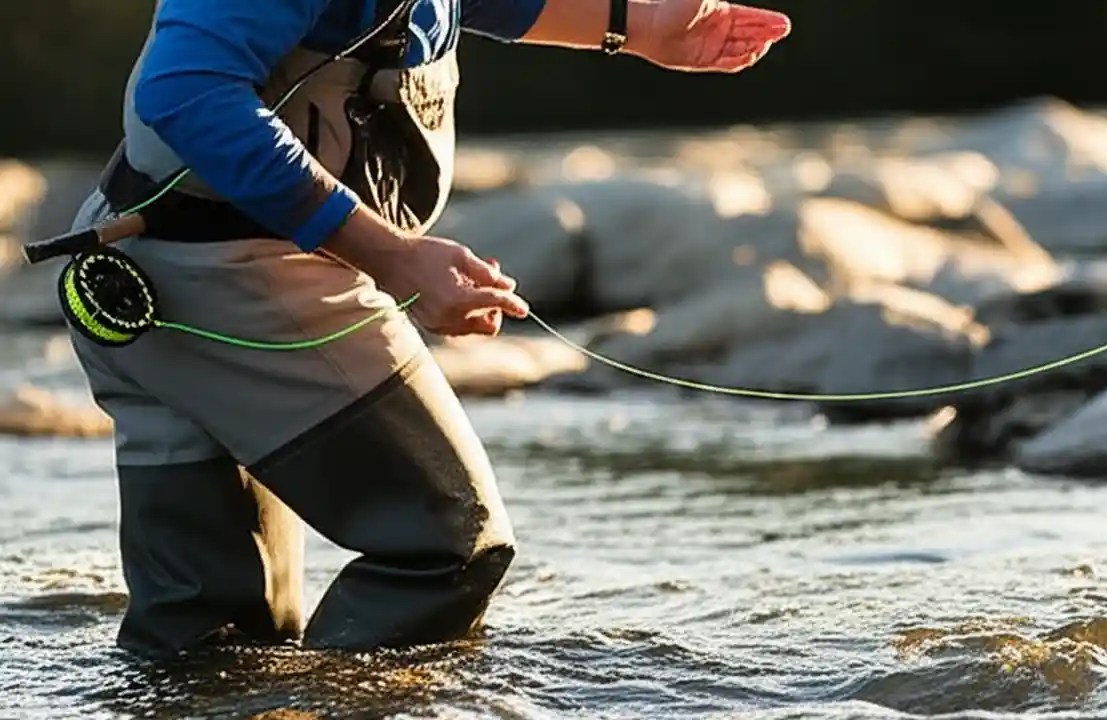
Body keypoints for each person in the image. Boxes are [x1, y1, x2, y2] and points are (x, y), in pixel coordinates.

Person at [66, 0, 791, 658]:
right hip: (236, 279)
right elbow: (185, 91)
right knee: (448, 545)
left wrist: (641, 26)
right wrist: (396, 257)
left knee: (204, 644)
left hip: (152, 277)